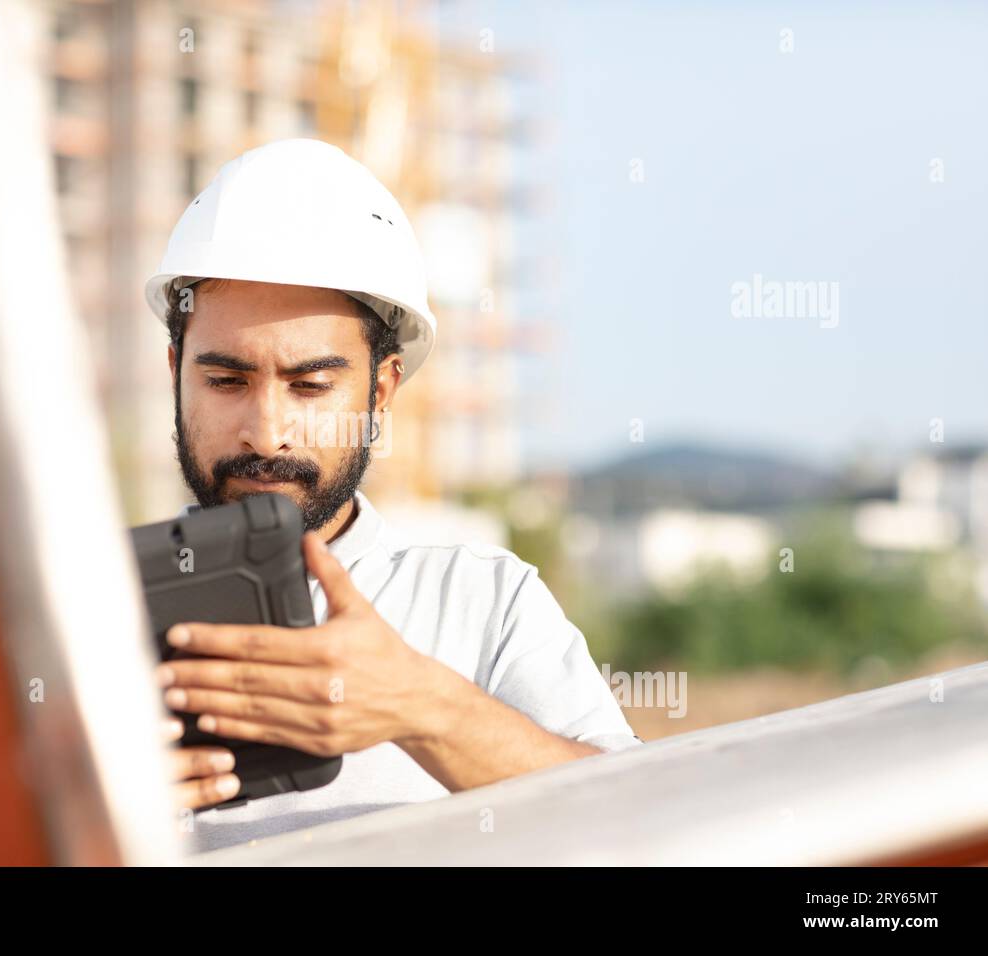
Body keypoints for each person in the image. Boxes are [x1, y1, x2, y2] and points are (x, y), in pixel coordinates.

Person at [146, 139, 642, 854]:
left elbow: (645, 819)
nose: (267, 432)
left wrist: (423, 707)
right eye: (226, 381)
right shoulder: (78, 619)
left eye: (311, 386)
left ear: (380, 391)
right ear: (175, 373)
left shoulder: (483, 602)